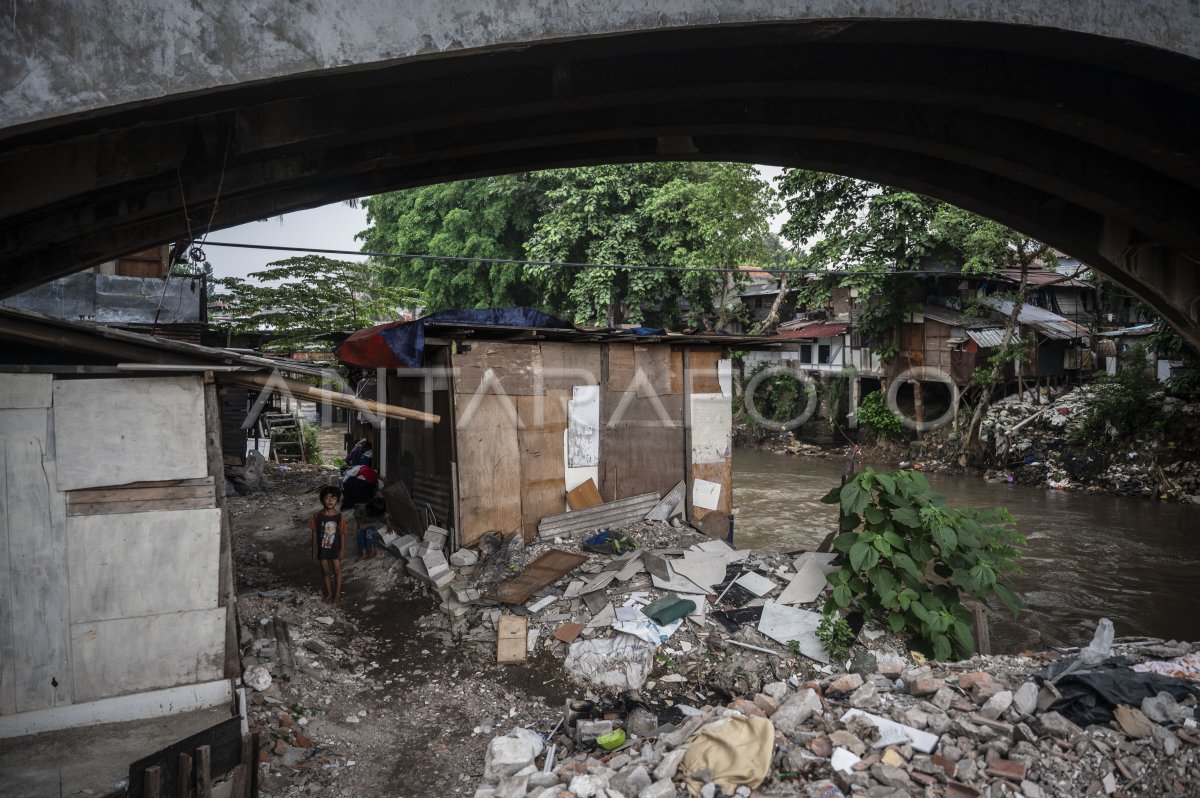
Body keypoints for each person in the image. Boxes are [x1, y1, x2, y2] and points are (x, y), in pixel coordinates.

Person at [310, 485, 349, 603]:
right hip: (322, 549)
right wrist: (314, 549)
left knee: (337, 571)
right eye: (327, 498)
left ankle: (337, 595)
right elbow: (314, 533)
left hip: (335, 549)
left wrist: (342, 550)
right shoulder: (317, 516)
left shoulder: (339, 516)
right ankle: (329, 593)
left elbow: (342, 534)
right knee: (325, 572)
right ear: (322, 500)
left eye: (333, 498)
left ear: (337, 500)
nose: (330, 501)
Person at [356, 495, 387, 560]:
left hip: (371, 524)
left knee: (369, 534)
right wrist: (359, 525)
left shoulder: (380, 512)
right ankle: (364, 553)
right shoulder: (363, 507)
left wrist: (389, 527)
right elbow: (356, 515)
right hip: (362, 523)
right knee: (360, 535)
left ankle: (372, 552)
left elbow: (386, 518)